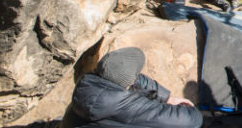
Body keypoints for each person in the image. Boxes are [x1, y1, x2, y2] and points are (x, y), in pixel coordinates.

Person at [61, 47, 202, 128]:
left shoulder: (89, 85)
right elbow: (191, 121)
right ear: (129, 80)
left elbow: (135, 79)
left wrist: (167, 97)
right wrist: (186, 108)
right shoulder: (125, 106)